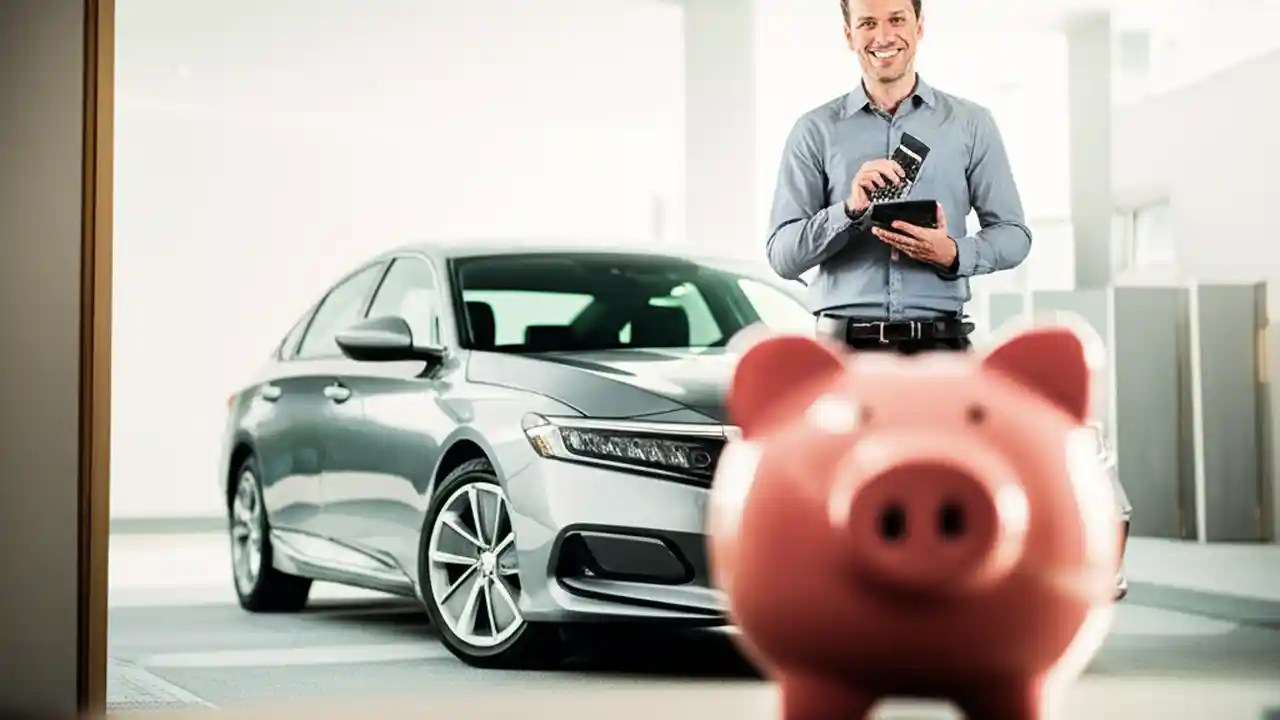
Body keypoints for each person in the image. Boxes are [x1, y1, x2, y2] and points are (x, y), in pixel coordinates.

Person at [765, 0, 1032, 355]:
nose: (883, 36)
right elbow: (783, 256)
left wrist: (953, 253)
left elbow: (1015, 236)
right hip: (841, 351)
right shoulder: (814, 131)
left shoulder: (971, 124)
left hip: (942, 346)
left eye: (896, 19)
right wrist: (848, 211)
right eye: (868, 24)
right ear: (849, 35)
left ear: (918, 26)